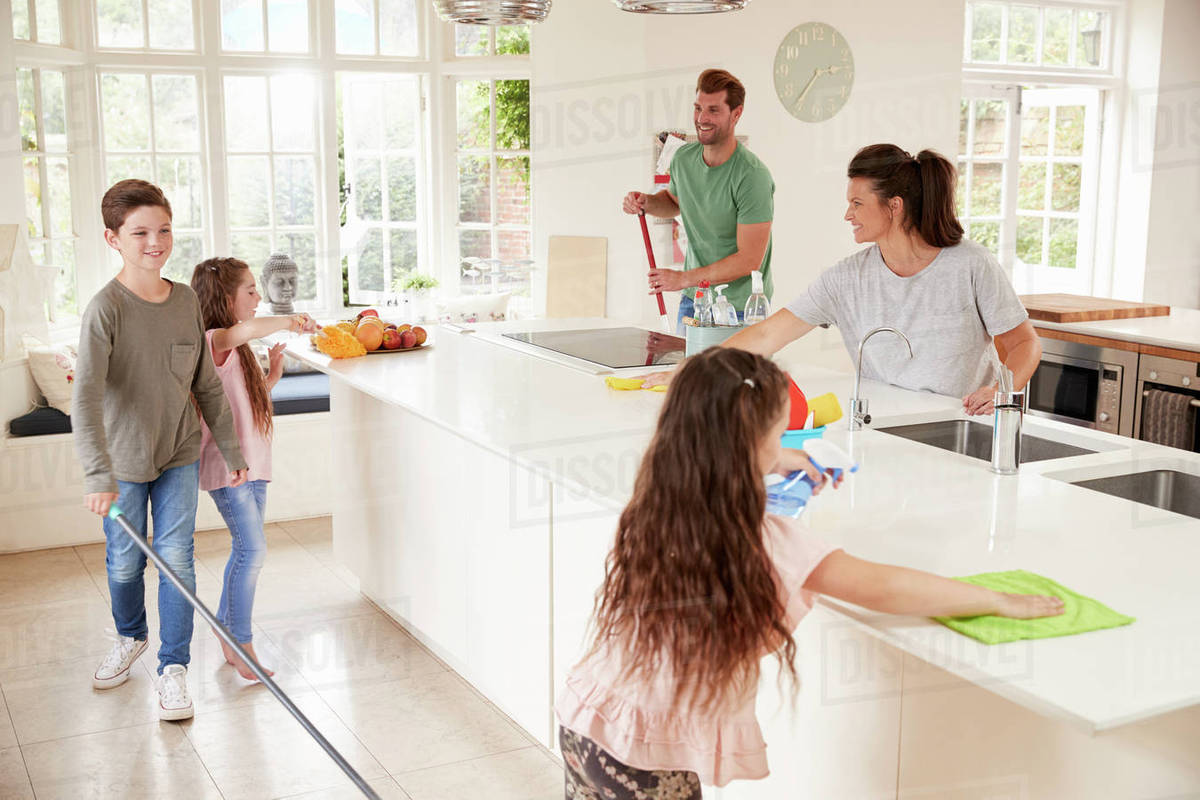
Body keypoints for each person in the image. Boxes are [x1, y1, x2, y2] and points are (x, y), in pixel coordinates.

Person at [556, 347, 1063, 798]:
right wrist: (995, 600)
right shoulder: (766, 540)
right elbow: (885, 588)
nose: (783, 445)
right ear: (749, 445)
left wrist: (774, 459)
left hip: (587, 719)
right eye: (778, 434)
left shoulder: (656, 503)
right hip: (649, 761)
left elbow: (711, 442)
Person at [642, 145, 1042, 417]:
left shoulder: (970, 265)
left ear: (895, 207)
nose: (847, 215)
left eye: (857, 204)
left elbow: (1024, 344)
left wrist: (1002, 391)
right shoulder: (847, 279)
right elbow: (766, 335)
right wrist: (695, 369)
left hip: (963, 424)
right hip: (884, 425)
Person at [73, 180, 248, 721]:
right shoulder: (105, 309)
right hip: (122, 464)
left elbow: (206, 384)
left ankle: (174, 669)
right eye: (141, 232)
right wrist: (97, 475)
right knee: (125, 562)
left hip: (178, 451)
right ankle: (131, 637)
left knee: (176, 560)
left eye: (164, 229)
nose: (156, 242)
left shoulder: (187, 301)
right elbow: (84, 396)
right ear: (113, 238)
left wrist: (231, 448)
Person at [191, 257, 318, 680]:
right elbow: (245, 329)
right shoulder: (215, 339)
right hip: (229, 467)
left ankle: (227, 633)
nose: (258, 296)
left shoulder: (238, 349)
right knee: (254, 549)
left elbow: (244, 403)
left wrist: (274, 374)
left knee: (245, 549)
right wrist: (289, 320)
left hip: (254, 464)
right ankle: (241, 642)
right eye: (250, 290)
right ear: (225, 298)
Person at [622, 69, 774, 332]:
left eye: (713, 110)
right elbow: (673, 201)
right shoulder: (683, 159)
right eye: (698, 108)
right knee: (686, 373)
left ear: (736, 114)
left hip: (741, 307)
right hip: (696, 301)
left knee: (733, 375)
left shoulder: (752, 176)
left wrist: (683, 279)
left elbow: (749, 259)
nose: (702, 118)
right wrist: (646, 201)